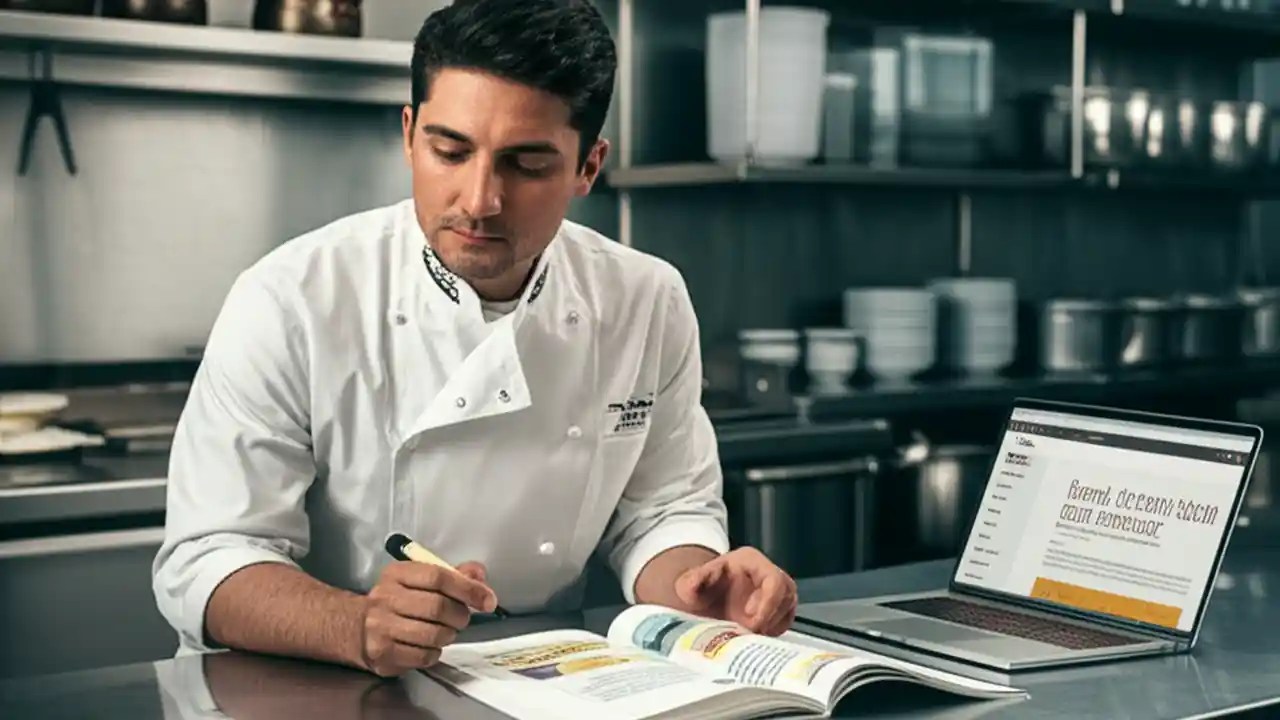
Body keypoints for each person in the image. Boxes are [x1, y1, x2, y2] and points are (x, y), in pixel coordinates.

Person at [152, 0, 797, 679]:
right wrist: (359, 624)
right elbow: (209, 557)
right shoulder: (292, 297)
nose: (480, 199)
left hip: (543, 679)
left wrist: (699, 585)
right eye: (450, 151)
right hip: (314, 682)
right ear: (409, 135)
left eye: (527, 164)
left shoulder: (644, 298)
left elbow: (662, 511)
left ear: (588, 166)